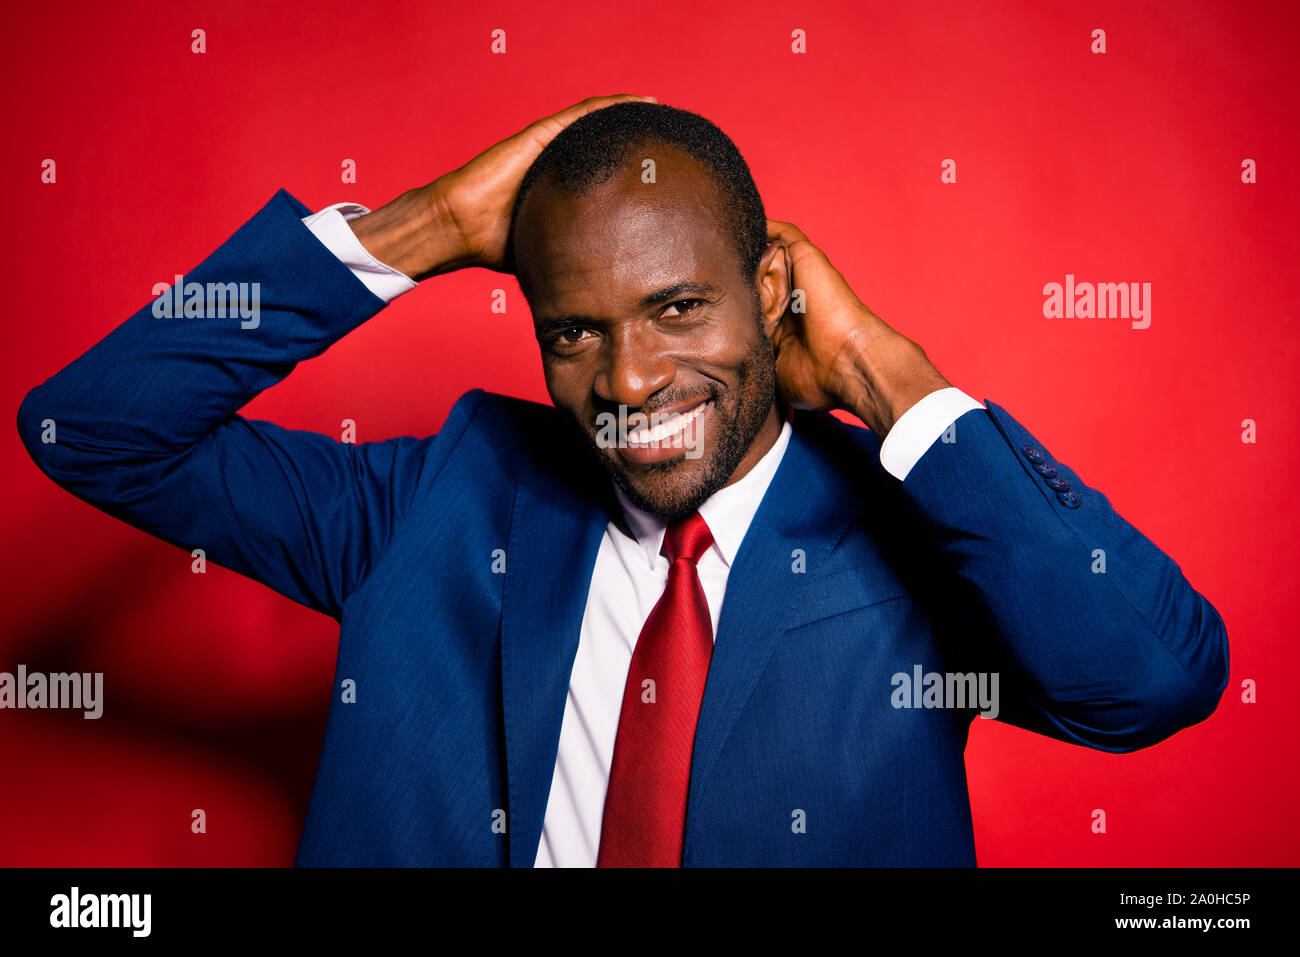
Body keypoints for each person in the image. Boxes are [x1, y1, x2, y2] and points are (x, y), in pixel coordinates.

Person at [17, 94, 1229, 867]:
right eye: (573, 332)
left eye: (678, 308)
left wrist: (889, 377)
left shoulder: (908, 540)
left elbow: (1155, 683)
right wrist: (426, 226)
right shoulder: (436, 507)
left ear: (768, 295)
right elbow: (92, 429)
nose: (629, 378)